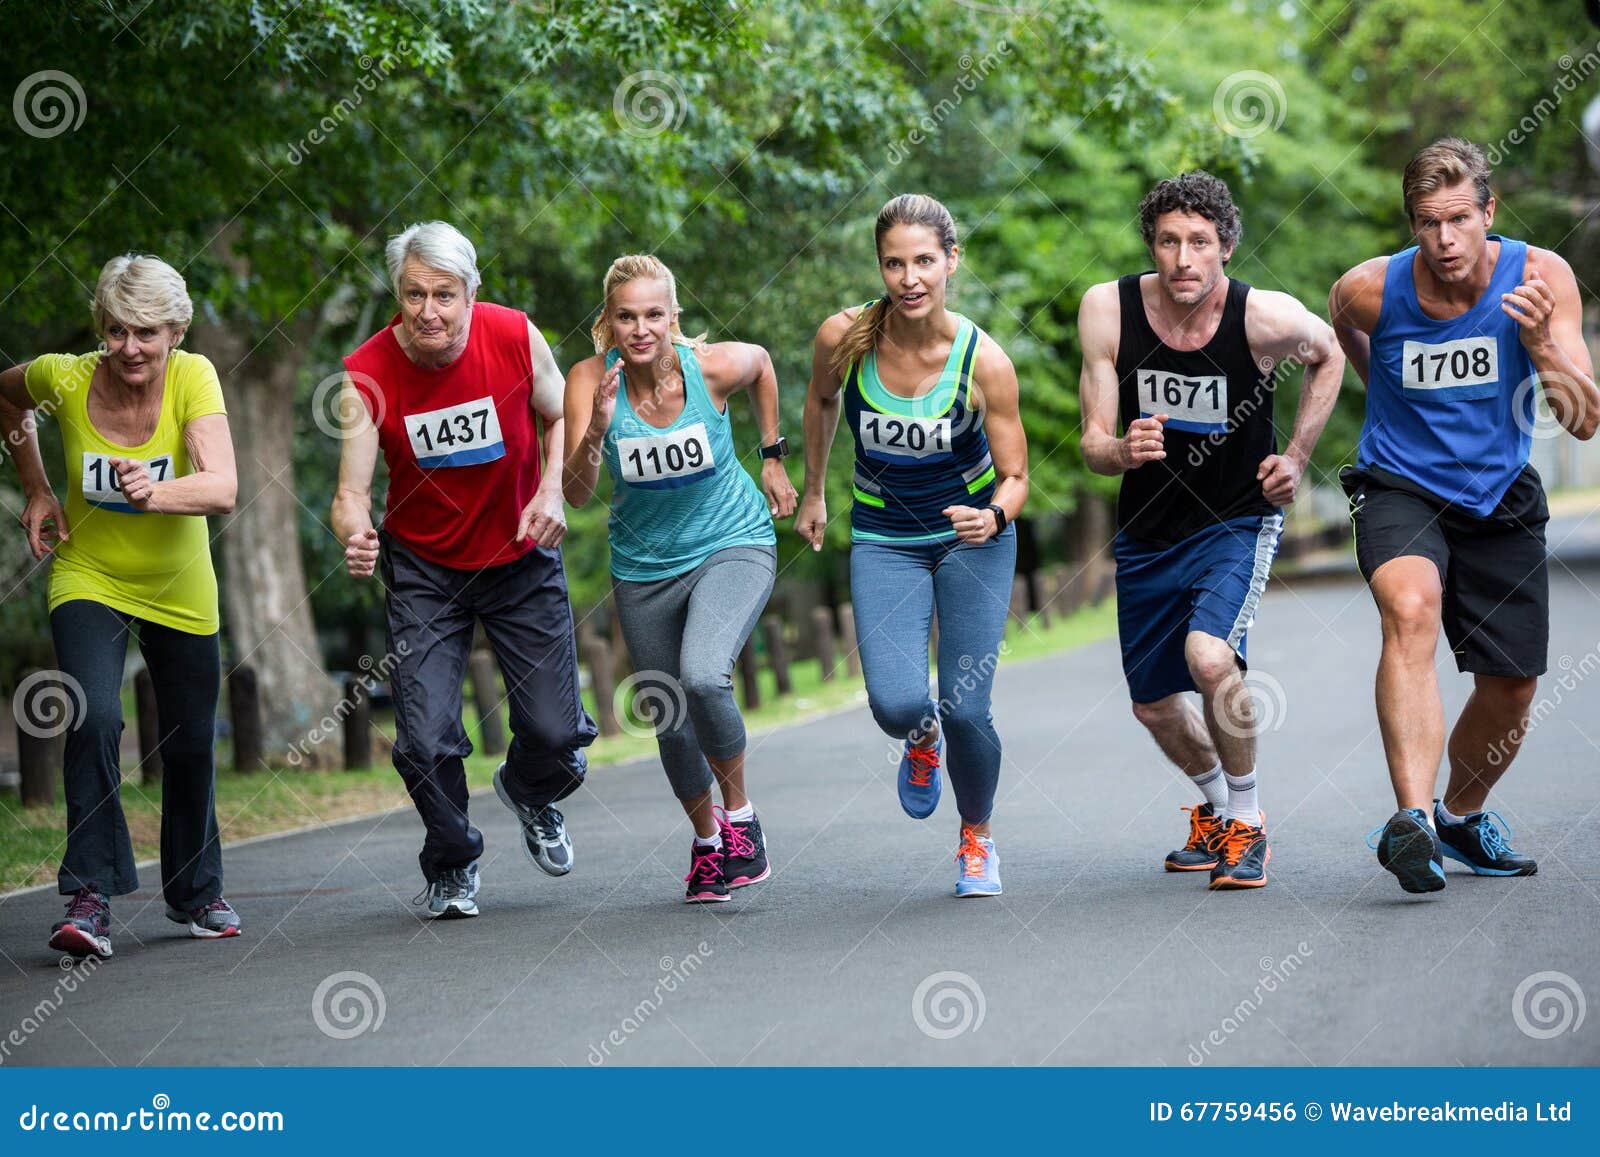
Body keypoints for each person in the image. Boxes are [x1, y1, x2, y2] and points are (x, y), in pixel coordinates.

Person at [1328, 139, 1598, 894]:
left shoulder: (1543, 278)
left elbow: (1583, 421)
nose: (1443, 240)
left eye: (1457, 219)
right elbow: (1342, 316)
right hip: (1399, 484)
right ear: (1411, 224)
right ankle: (1411, 821)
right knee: (1411, 608)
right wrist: (1379, 379)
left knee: (1511, 683)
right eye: (1425, 223)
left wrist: (1541, 341)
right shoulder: (1372, 289)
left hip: (1498, 492)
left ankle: (1459, 814)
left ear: (1489, 210)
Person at [1078, 171, 1344, 890]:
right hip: (1147, 530)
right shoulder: (1108, 311)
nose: (1183, 259)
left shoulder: (1264, 319)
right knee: (1153, 705)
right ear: (1152, 246)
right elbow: (1092, 444)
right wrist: (1121, 450)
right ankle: (1220, 808)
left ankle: (1250, 825)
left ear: (1226, 246)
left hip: (1235, 519)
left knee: (1210, 659)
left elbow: (1331, 354)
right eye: (1168, 241)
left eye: (1199, 241)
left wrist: (1295, 457)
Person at [332, 221, 597, 918]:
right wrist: (355, 531)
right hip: (426, 569)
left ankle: (532, 789)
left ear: (471, 291)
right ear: (398, 293)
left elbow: (558, 414)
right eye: (414, 294)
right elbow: (350, 493)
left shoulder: (513, 335)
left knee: (553, 732)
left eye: (444, 294)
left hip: (520, 551)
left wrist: (549, 488)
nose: (428, 311)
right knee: (424, 737)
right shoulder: (365, 372)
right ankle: (452, 862)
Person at [0, 255, 241, 958]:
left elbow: (222, 485)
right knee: (95, 713)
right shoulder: (64, 377)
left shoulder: (194, 377)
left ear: (175, 331)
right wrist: (39, 486)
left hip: (178, 579)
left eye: (146, 332)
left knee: (191, 740)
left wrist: (156, 494)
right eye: (115, 330)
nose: (130, 347)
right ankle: (90, 895)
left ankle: (195, 892)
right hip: (89, 573)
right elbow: (5, 398)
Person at [797, 193, 1028, 898]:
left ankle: (977, 838)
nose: (910, 278)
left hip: (971, 543)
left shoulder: (983, 361)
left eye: (924, 260)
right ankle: (918, 737)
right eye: (894, 263)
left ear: (951, 261)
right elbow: (821, 400)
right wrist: (813, 489)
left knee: (969, 707)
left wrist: (992, 516)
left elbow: (1017, 475)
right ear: (880, 267)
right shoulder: (844, 336)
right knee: (897, 703)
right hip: (884, 538)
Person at [564, 255, 795, 903]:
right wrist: (597, 433)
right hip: (644, 567)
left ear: (673, 318)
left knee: (701, 674)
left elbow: (764, 364)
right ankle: (705, 842)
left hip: (733, 541)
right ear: (607, 322)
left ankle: (742, 819)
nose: (641, 329)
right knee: (667, 712)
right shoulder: (588, 380)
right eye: (626, 316)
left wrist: (772, 457)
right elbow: (576, 493)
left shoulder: (712, 366)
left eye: (654, 314)